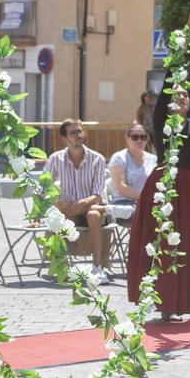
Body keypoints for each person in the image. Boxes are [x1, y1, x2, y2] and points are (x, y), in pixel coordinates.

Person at [127, 40, 190, 322]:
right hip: (162, 187)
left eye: (185, 96)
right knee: (163, 244)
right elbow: (164, 94)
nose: (180, 98)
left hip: (188, 187)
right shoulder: (163, 121)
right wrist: (179, 54)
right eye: (176, 95)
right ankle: (165, 303)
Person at [43, 119, 110, 284]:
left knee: (93, 214)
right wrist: (57, 202)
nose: (79, 136)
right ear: (64, 139)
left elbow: (99, 194)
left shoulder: (97, 159)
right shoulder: (55, 159)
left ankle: (97, 267)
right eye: (74, 133)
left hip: (91, 207)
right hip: (69, 210)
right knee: (62, 216)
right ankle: (64, 266)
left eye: (80, 131)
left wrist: (81, 203)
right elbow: (44, 188)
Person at [106, 124, 157, 222]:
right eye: (134, 137)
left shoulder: (153, 159)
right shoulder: (119, 158)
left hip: (147, 203)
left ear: (147, 139)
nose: (139, 140)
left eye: (143, 137)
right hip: (124, 204)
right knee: (150, 217)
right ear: (127, 138)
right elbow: (122, 188)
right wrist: (146, 197)